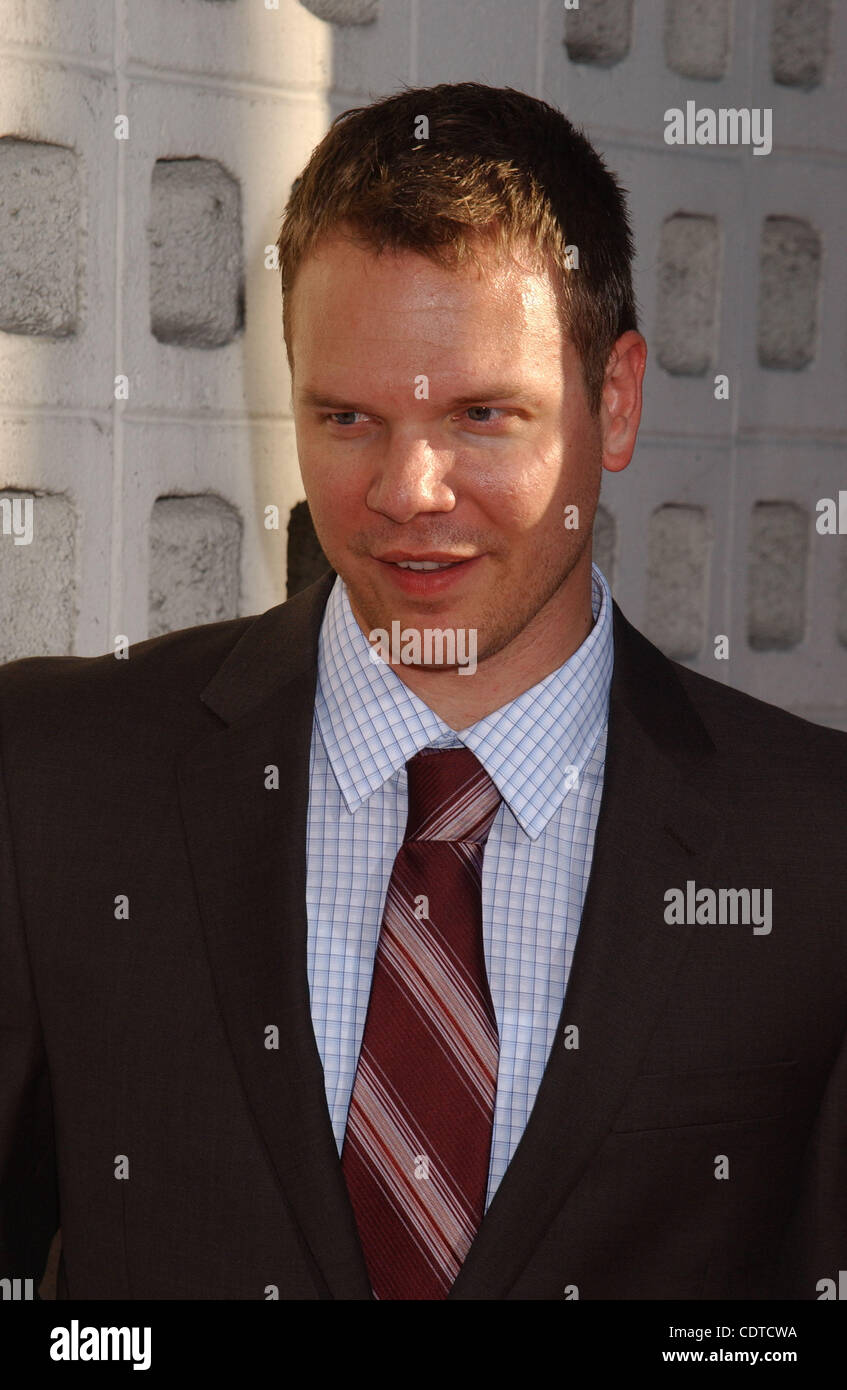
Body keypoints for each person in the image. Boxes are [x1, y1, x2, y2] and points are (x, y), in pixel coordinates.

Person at [1, 81, 845, 1302]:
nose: (409, 490)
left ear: (612, 402)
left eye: (482, 414)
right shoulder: (56, 779)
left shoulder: (812, 853)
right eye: (346, 415)